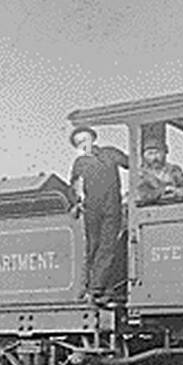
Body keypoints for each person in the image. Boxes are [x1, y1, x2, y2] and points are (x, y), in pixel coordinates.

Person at [68, 126, 129, 306]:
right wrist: (76, 202)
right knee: (93, 247)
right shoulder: (80, 163)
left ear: (93, 138)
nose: (84, 144)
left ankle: (100, 288)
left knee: (109, 245)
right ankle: (92, 288)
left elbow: (131, 164)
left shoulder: (111, 153)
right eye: (79, 143)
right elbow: (75, 185)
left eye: (86, 139)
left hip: (113, 205)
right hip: (92, 208)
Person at [134, 140, 183, 205]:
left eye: (157, 153)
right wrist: (163, 190)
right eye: (150, 153)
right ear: (144, 156)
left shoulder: (174, 170)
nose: (154, 157)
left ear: (164, 153)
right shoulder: (141, 174)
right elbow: (141, 195)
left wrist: (178, 191)